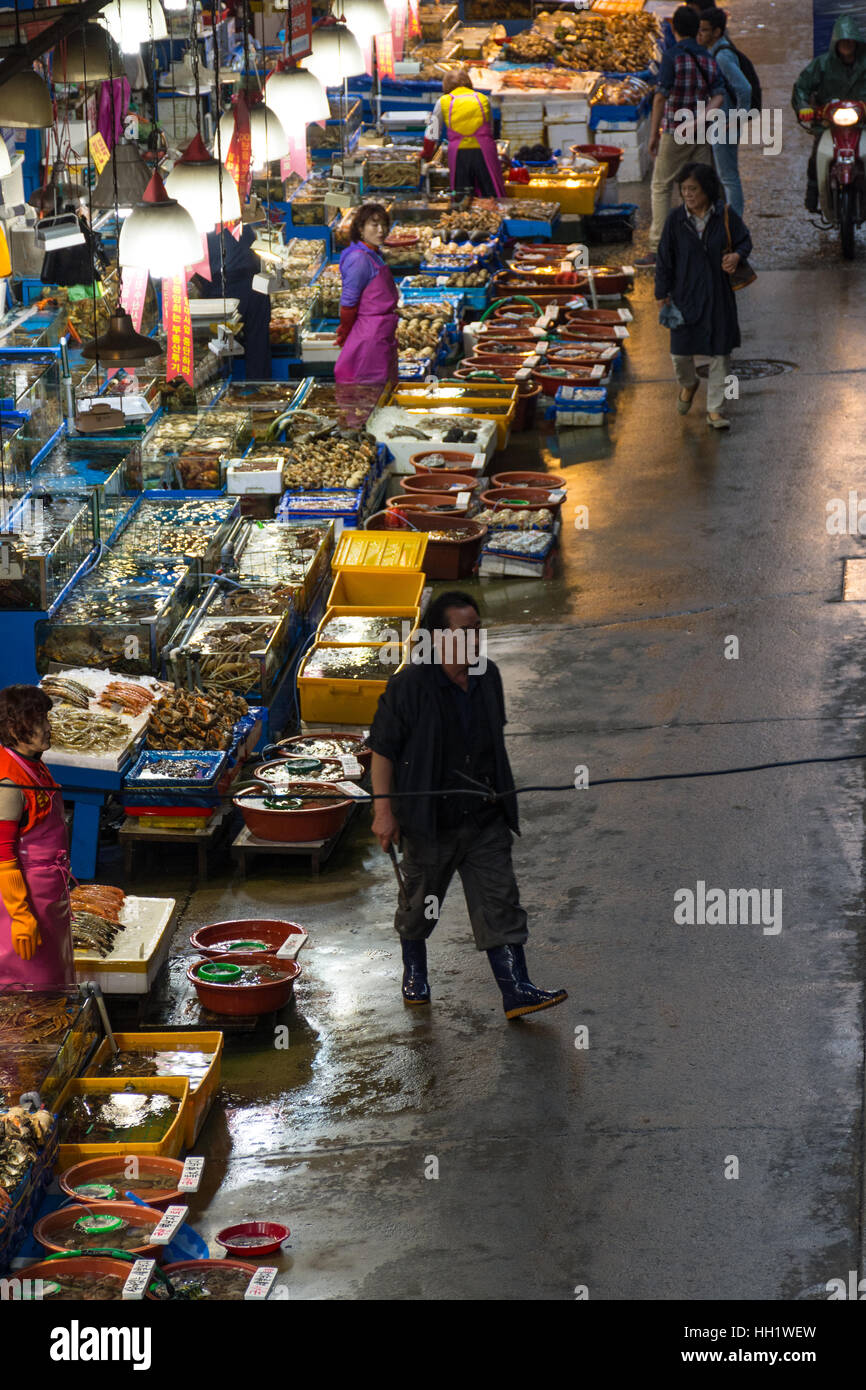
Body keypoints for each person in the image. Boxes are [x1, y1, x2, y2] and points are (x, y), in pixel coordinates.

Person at [368, 591, 567, 1020]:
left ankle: (516, 990)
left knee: (500, 901)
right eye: (466, 630)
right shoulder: (409, 686)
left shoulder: (487, 676)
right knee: (420, 905)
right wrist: (383, 813)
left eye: (479, 628)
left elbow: (492, 743)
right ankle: (415, 975)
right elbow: (382, 751)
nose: (477, 637)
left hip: (484, 817)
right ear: (438, 637)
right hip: (429, 823)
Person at [655, 161, 752, 430]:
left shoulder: (725, 215)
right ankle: (689, 384)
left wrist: (736, 255)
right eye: (684, 189)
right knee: (680, 355)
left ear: (707, 190)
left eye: (693, 189)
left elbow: (745, 240)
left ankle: (716, 410)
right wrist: (661, 293)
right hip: (684, 296)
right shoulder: (675, 220)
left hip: (718, 296)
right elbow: (664, 258)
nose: (688, 194)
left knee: (720, 353)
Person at [0, 685, 74, 989]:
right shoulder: (8, 781)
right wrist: (21, 916)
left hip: (48, 895)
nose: (47, 728)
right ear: (13, 727)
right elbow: (2, 855)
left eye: (45, 718)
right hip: (23, 900)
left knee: (56, 978)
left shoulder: (32, 762)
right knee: (31, 988)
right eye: (37, 721)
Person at [641, 4, 725, 267]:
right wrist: (703, 118)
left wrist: (654, 134)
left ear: (674, 28)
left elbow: (660, 98)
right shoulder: (707, 57)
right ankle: (703, 243)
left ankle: (658, 248)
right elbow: (719, 94)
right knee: (699, 187)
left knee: (661, 185)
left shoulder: (672, 57)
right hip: (699, 133)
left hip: (677, 132)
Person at [792, 15, 866, 212]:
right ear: (836, 42)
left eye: (851, 40)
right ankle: (812, 195)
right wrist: (803, 107)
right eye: (843, 41)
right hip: (829, 124)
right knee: (816, 157)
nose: (847, 45)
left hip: (863, 124)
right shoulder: (822, 65)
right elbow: (801, 88)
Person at [334, 203, 399, 398]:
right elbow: (348, 303)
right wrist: (345, 332)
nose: (381, 231)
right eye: (374, 225)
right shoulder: (359, 259)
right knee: (367, 390)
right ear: (360, 229)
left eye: (384, 225)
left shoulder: (374, 254)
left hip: (382, 332)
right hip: (370, 334)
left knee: (384, 389)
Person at [698, 7, 752, 217]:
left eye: (704, 30)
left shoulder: (722, 56)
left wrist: (739, 117)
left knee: (729, 177)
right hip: (720, 122)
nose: (699, 34)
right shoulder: (716, 51)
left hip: (725, 124)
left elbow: (744, 88)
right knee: (724, 176)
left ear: (717, 32)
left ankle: (735, 224)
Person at [200, 221, 271, 379]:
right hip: (253, 285)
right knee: (257, 346)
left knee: (221, 349)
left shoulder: (197, 223)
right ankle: (259, 387)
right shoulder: (233, 213)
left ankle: (224, 387)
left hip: (222, 290)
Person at [422, 69, 505, 198]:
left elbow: (432, 134)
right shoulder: (482, 98)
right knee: (491, 192)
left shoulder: (443, 101)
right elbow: (491, 130)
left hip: (459, 153)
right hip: (485, 150)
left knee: (463, 195)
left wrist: (426, 154)